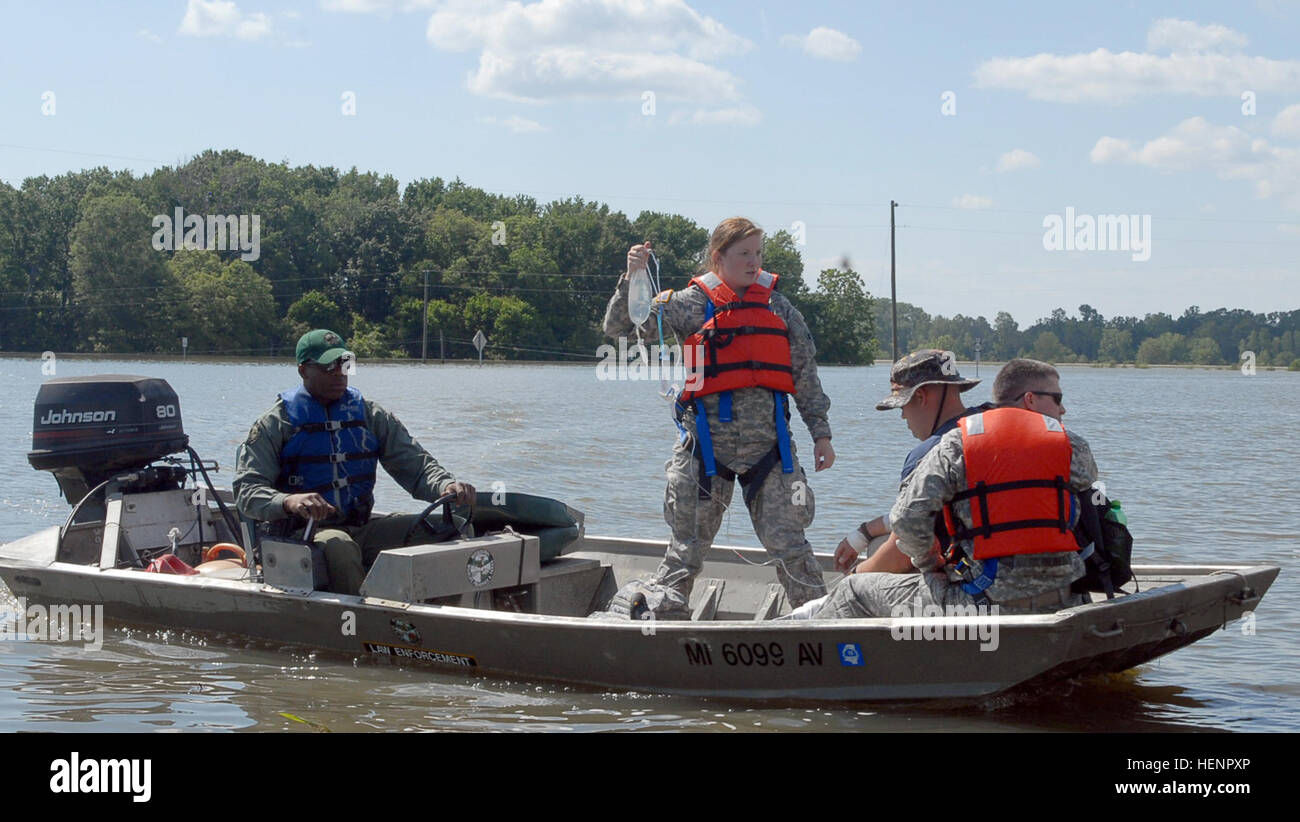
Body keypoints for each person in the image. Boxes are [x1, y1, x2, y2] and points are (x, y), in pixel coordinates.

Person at [602, 218, 835, 615]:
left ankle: (822, 625)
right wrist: (633, 276)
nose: (753, 262)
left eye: (758, 253)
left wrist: (821, 434)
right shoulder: (687, 304)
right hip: (704, 452)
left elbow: (805, 376)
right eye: (744, 254)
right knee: (685, 552)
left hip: (772, 452)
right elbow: (619, 329)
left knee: (792, 549)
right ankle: (663, 626)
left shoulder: (780, 308)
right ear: (718, 257)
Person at [814, 358, 1097, 619]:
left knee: (851, 591)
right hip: (1067, 600)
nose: (1062, 408)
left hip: (983, 604)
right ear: (1029, 401)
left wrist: (929, 563)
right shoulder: (1072, 444)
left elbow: (907, 521)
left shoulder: (954, 444)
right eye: (1058, 400)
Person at [233, 329, 475, 595]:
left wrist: (445, 485)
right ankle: (363, 625)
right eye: (328, 366)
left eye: (345, 364)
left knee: (450, 529)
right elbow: (247, 492)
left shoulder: (370, 416)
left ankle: (439, 618)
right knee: (339, 545)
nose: (339, 373)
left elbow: (416, 465)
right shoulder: (275, 424)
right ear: (303, 371)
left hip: (361, 527)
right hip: (299, 536)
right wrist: (289, 501)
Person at [832, 349, 985, 575]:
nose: (903, 416)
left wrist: (853, 582)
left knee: (872, 563)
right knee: (877, 540)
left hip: (968, 587)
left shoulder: (929, 454)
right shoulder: (989, 425)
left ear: (921, 397)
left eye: (902, 406)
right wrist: (864, 532)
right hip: (1012, 571)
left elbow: (901, 555)